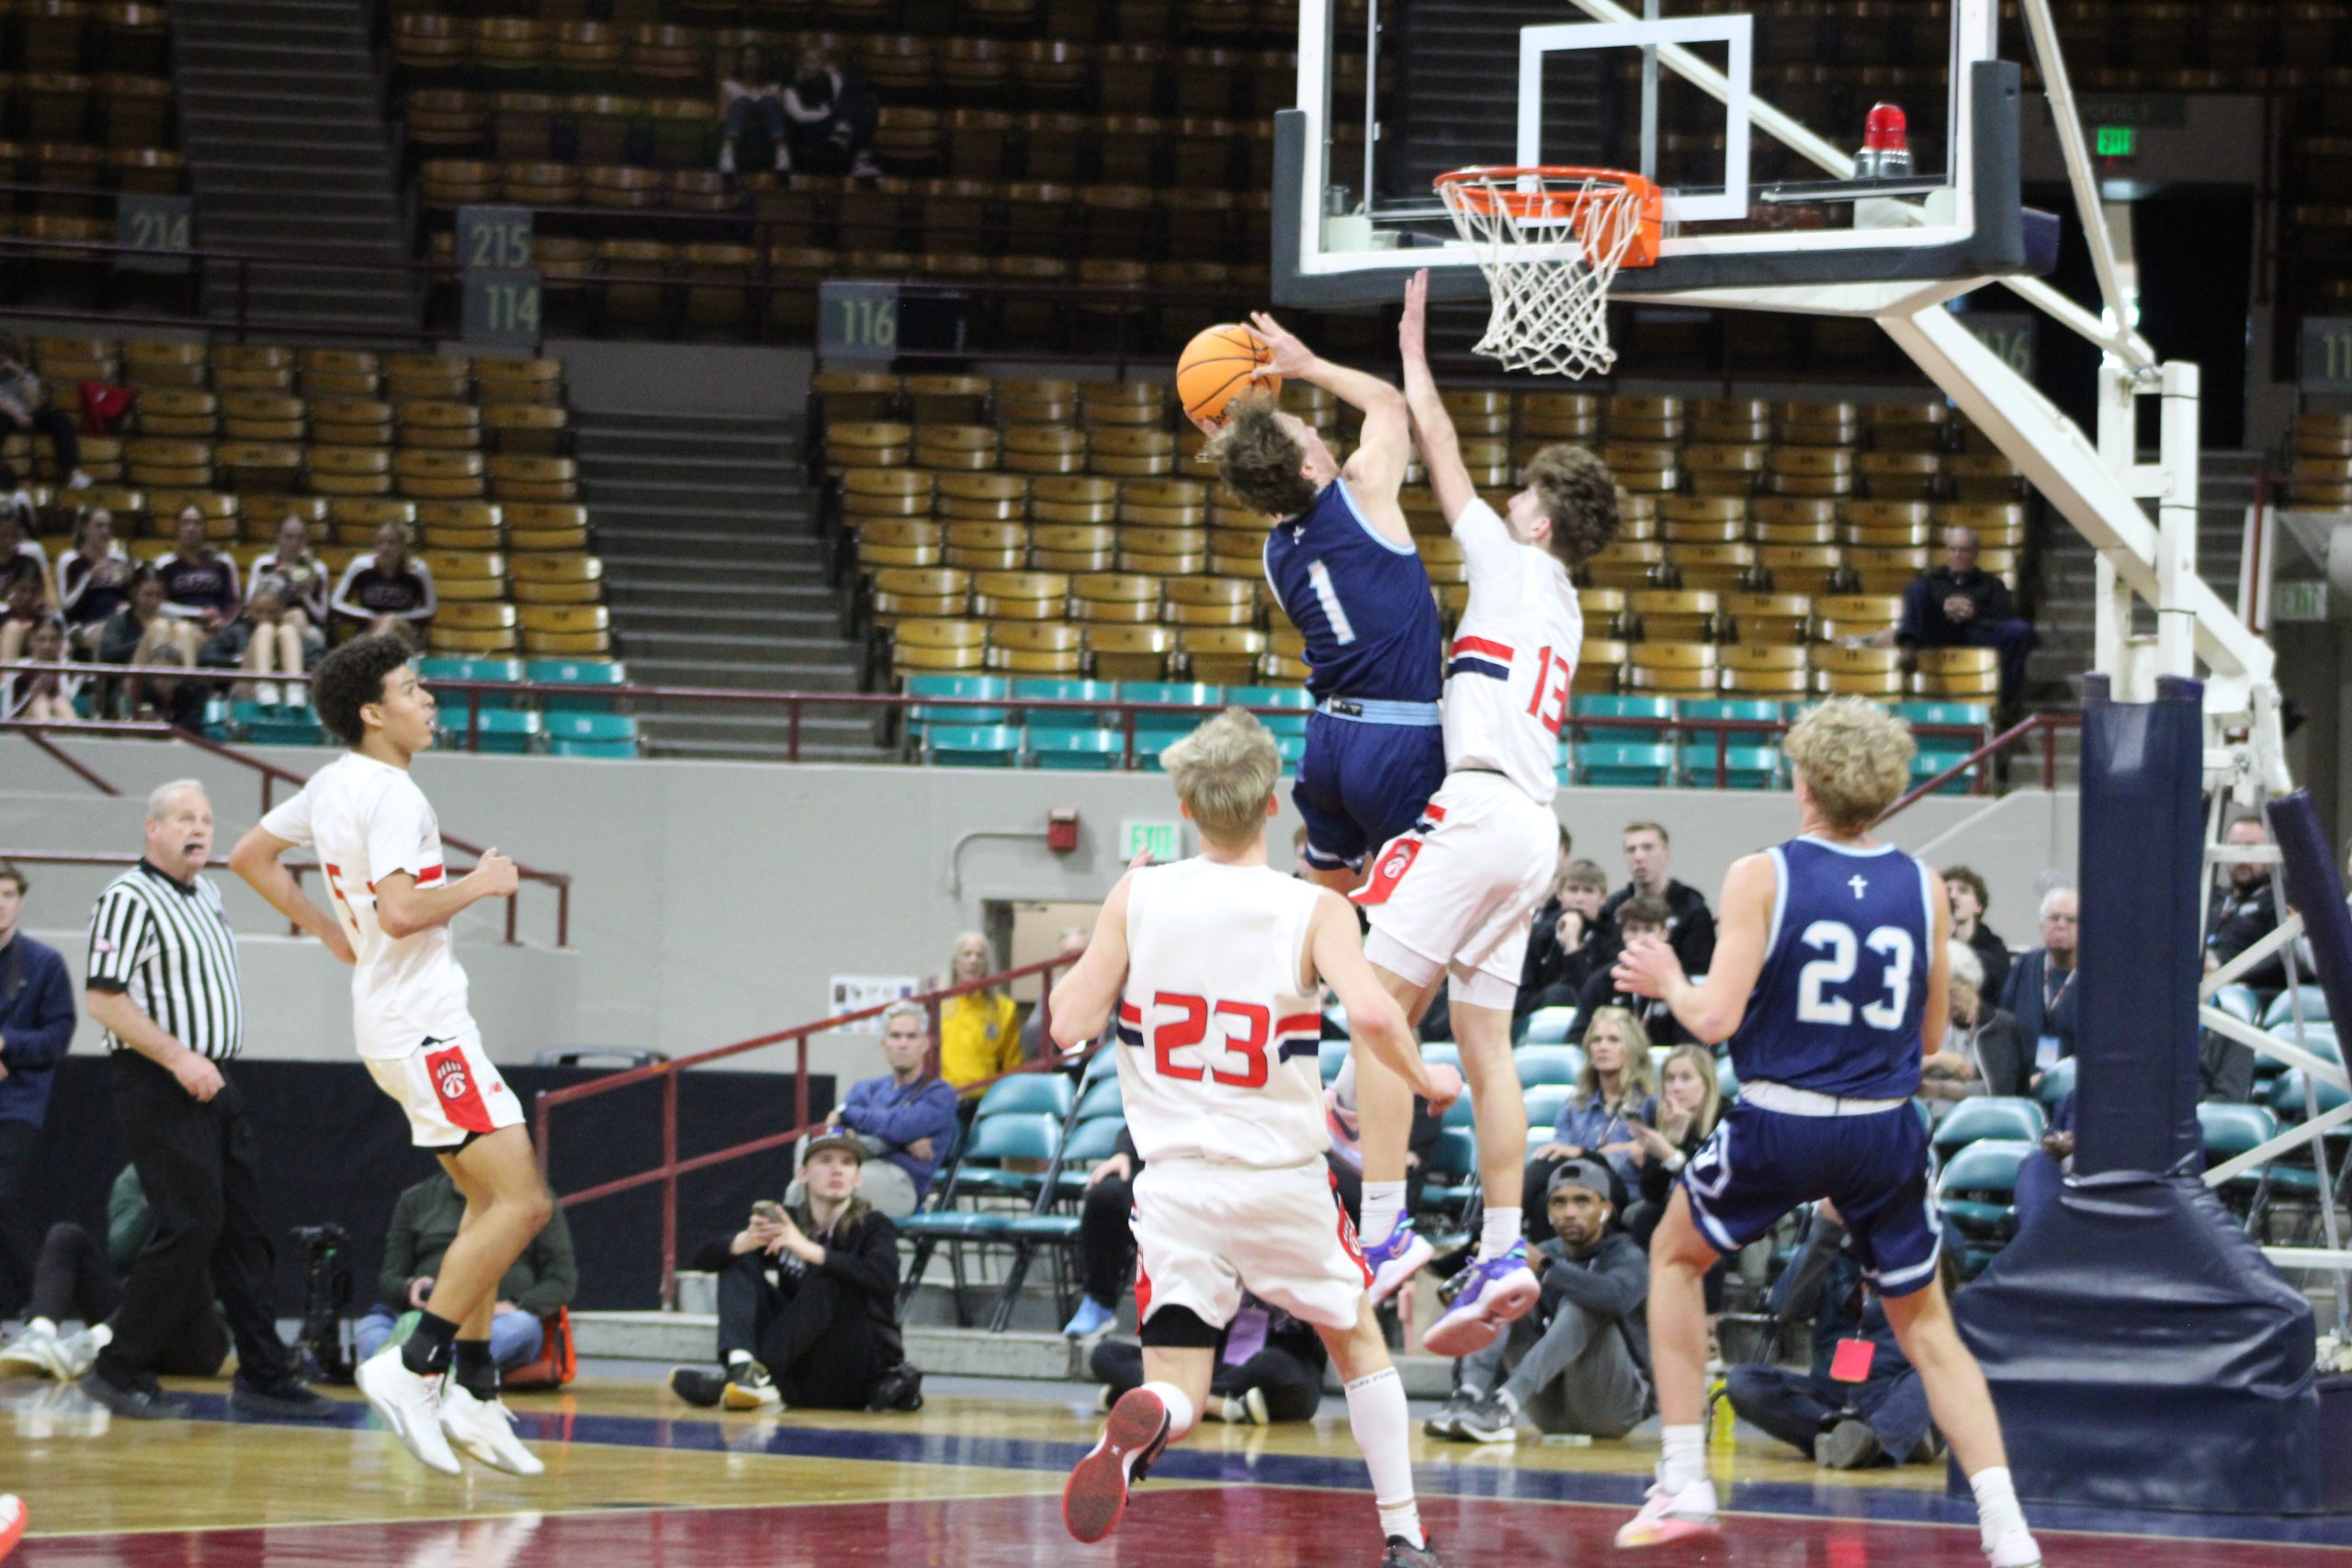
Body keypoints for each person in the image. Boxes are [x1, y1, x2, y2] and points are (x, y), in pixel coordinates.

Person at [1607, 697, 2040, 1567]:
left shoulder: (1760, 872)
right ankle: (2009, 1530)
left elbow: (1717, 1018)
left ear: (1801, 779)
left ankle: (1686, 1477)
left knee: (1673, 1253)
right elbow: (1926, 1043)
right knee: (1928, 1327)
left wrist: (1668, 975)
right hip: (1885, 1129)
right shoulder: (1922, 885)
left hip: (1784, 1118)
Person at [1044, 706, 1446, 1567]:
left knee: (1178, 1380)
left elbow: (1068, 1023)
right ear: (1274, 806)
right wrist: (1426, 1077)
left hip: (1175, 1182)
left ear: (1184, 805)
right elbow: (1374, 1012)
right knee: (1357, 1338)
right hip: (1278, 1176)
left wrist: (1119, 918)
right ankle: (1405, 1533)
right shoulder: (1311, 907)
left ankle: (1152, 1417)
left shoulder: (1138, 894)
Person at [1348, 270, 1623, 1359]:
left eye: (1520, 497)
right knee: (1488, 1046)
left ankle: (1381, 1233)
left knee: (1374, 1013)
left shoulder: (1512, 562)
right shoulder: (1567, 606)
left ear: (1541, 518)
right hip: (1534, 832)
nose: (1502, 503)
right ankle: (1504, 1249)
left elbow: (1441, 446)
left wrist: (1415, 354)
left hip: (1481, 810)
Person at [228, 634, 552, 1477]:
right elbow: (405, 912)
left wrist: (330, 930)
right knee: (523, 1206)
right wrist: (480, 883)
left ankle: (475, 1388)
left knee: (485, 1203)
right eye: (413, 689)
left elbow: (249, 856)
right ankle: (414, 1367)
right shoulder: (398, 795)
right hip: (425, 1026)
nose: (429, 700)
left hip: (396, 1020)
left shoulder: (333, 783)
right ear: (374, 712)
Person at [77, 781, 335, 1422]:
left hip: (218, 1081)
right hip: (158, 1081)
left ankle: (264, 1374)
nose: (200, 828)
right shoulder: (127, 897)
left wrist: (204, 1062)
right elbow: (104, 997)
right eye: (185, 818)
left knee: (243, 1232)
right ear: (153, 829)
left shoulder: (209, 893)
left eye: (208, 818)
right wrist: (177, 1056)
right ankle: (118, 1365)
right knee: (190, 1224)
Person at [1204, 314, 1437, 901]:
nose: (1312, 424)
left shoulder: (1274, 554)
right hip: (1396, 736)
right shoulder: (1361, 492)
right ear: (1308, 467)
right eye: (1304, 429)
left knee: (1327, 909)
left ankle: (1310, 992)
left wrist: (1241, 446)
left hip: (1329, 738)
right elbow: (1386, 402)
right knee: (1425, 917)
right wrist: (1307, 366)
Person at [669, 1130, 914, 1413]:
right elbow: (701, 1259)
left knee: (829, 1279)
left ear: (857, 1178)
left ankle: (748, 1379)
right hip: (799, 1368)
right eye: (825, 1160)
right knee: (737, 1261)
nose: (837, 1169)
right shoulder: (789, 1220)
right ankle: (742, 1367)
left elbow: (884, 1279)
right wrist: (743, 1242)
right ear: (802, 1174)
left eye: (847, 1163)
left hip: (854, 1372)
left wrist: (808, 1250)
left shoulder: (875, 1225)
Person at [1426, 1160, 1651, 1443]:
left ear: (1605, 1209)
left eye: (1582, 1202)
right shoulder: (1544, 1252)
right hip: (1550, 1408)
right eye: (1559, 1203)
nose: (1569, 1213)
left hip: (1612, 1408)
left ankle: (1504, 1404)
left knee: (1585, 1302)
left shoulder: (1627, 1255)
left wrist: (1547, 1269)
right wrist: (1477, 1284)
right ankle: (1469, 1396)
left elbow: (1616, 1298)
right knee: (1504, 1287)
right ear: (1549, 1212)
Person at [1725, 1223, 1953, 1471]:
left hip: (1892, 1390)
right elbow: (1784, 1308)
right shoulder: (1828, 1244)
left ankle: (1867, 1439)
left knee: (1934, 1374)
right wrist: (1825, 1232)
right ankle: (1867, 1440)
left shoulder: (1925, 1228)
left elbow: (1949, 1259)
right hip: (1831, 1396)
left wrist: (1899, 1221)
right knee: (1743, 1382)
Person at [0, 1166, 228, 1383]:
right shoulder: (134, 1178)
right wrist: (155, 1204)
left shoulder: (217, 1180)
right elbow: (121, 1253)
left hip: (194, 1340)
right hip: (132, 1327)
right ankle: (40, 1335)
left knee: (184, 1254)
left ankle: (93, 1343)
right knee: (65, 1236)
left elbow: (239, 1272)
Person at [353, 1168, 579, 1371]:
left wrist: (512, 1305)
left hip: (498, 1322)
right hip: (422, 1319)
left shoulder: (534, 1200)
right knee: (369, 1326)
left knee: (522, 1325)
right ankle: (415, 1362)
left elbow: (562, 1281)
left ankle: (419, 1366)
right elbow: (390, 1278)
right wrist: (410, 1287)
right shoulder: (415, 1199)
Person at [0, 861, 74, 1317]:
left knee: (6, 1199)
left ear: (21, 901)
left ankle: (39, 1305)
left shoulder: (44, 964)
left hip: (19, 1104)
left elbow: (58, 1036)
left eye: (8, 895)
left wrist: (8, 1043)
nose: (0, 904)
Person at [1091, 1288, 1329, 1426]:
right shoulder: (1216, 1245)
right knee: (1106, 1354)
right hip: (1217, 1363)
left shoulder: (1302, 1246)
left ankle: (1157, 1398)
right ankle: (1218, 1406)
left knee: (1274, 1366)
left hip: (1281, 1364)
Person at [820, 1000, 959, 1217]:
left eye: (911, 1037)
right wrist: (899, 1143)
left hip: (902, 1182)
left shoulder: (940, 1094)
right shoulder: (865, 1089)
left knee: (839, 1189)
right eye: (895, 1036)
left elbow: (899, 1128)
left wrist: (847, 1112)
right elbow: (840, 1135)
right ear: (884, 1043)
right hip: (854, 1168)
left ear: (925, 1044)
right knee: (803, 1182)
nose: (903, 1044)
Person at [1526, 1006, 1657, 1226]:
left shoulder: (1650, 1103)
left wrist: (1582, 1153)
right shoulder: (1576, 1104)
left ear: (1632, 1048)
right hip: (1577, 1188)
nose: (1603, 1047)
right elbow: (1561, 1159)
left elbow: (1645, 1160)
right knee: (1544, 1198)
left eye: (1614, 1040)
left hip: (1623, 1195)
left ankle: (1485, 1227)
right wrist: (1617, 1151)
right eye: (1597, 1040)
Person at [1895, 525, 2034, 715]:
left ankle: (2007, 703)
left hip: (1975, 631)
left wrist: (1975, 610)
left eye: (1964, 550)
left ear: (1975, 554)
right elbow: (1923, 608)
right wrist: (1945, 608)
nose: (1958, 555)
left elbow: (2004, 615)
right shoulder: (1931, 580)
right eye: (1953, 549)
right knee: (1916, 589)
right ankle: (1908, 647)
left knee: (2020, 630)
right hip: (1940, 630)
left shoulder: (1992, 583)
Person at [1623, 1044, 1722, 1247]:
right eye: (1670, 1079)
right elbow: (1652, 1193)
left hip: (1721, 1205)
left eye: (1686, 1078)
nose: (1676, 1087)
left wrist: (1670, 1153)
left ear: (1706, 1083)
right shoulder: (1658, 1116)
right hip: (1677, 1203)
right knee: (1645, 1216)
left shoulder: (1726, 1118)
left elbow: (1710, 1188)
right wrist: (1673, 1139)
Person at [1598, 823, 1716, 977]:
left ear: (1666, 854)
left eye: (1648, 848)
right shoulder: (1613, 907)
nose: (1638, 857)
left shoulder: (1692, 908)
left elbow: (1700, 974)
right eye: (1631, 850)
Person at [1568, 896, 1688, 1046]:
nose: (1640, 937)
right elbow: (1576, 1037)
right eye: (1633, 929)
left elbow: (1690, 1045)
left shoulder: (1678, 983)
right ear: (1623, 933)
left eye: (1649, 929)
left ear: (1665, 934)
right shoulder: (1603, 981)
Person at [1921, 944, 2030, 1106]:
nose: (1947, 1002)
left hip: (1983, 1125)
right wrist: (1936, 1061)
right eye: (1939, 995)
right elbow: (1898, 1078)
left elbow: (1997, 1092)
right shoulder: (1927, 1025)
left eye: (1953, 992)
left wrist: (1938, 1089)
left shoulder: (2000, 1027)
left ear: (1972, 983)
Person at [96, 568, 203, 727]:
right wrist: (145, 640)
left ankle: (186, 692)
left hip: (173, 686)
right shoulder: (119, 622)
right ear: (135, 593)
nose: (153, 601)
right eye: (147, 595)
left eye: (158, 595)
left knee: (185, 628)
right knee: (158, 626)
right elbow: (108, 655)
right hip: (131, 686)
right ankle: (158, 693)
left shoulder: (172, 623)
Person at [1998, 884, 2079, 1088]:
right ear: (2041, 924)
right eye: (2053, 918)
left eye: (2071, 920)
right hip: (2023, 1083)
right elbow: (2003, 1025)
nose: (2061, 925)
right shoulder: (2025, 964)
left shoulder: (2099, 976)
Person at [1517, 857, 1610, 1021]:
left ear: (1602, 898)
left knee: (1563, 994)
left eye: (1588, 891)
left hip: (1592, 1021)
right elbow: (1522, 995)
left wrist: (1572, 948)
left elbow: (1595, 996)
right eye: (1573, 890)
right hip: (1536, 1018)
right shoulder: (1540, 934)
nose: (1579, 898)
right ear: (1559, 894)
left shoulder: (1612, 939)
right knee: (1558, 994)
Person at [204, 585, 322, 710]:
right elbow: (205, 657)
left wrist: (296, 662)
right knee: (265, 629)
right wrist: (238, 660)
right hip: (248, 687)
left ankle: (295, 686)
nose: (264, 617)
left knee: (287, 630)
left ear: (282, 611)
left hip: (285, 689)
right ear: (249, 609)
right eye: (259, 611)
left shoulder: (291, 633)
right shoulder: (237, 632)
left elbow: (317, 657)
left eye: (271, 612)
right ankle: (264, 684)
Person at [0, 339, 92, 494]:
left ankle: (74, 473)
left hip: (29, 416)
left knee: (59, 420)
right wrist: (16, 415)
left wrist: (21, 375)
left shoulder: (25, 375)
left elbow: (35, 404)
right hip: (6, 416)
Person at [2206, 814, 2284, 995]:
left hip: (2247, 997)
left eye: (2250, 849)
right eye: (2234, 848)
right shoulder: (2214, 899)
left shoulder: (2281, 900)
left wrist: (2223, 976)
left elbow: (2283, 958)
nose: (2241, 858)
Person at [937, 931, 1018, 1100]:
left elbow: (1012, 1063)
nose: (973, 960)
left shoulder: (1003, 1008)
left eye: (979, 956)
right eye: (966, 954)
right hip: (944, 1099)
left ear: (986, 964)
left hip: (986, 1100)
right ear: (955, 962)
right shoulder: (938, 1006)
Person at [783, 47, 879, 179]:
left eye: (813, 62)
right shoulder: (792, 89)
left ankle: (859, 156)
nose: (808, 66)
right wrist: (826, 114)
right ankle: (859, 153)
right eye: (805, 62)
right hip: (809, 132)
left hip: (833, 132)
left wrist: (831, 73)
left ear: (822, 65)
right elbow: (799, 116)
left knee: (867, 98)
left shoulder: (830, 82)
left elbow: (844, 96)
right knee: (847, 117)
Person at [331, 522, 436, 641]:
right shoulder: (360, 566)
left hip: (404, 631)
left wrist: (395, 618)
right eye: (380, 542)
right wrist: (369, 616)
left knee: (390, 621)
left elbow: (430, 609)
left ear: (402, 546)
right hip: (369, 630)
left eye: (391, 543)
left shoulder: (417, 570)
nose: (385, 548)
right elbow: (336, 603)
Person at [56, 508, 132, 660]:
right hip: (87, 624)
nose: (105, 532)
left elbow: (127, 597)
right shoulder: (71, 560)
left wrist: (131, 584)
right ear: (84, 529)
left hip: (120, 622)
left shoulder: (119, 560)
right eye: (99, 526)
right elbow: (67, 606)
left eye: (109, 527)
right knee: (106, 633)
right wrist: (88, 578)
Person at [156, 504, 242, 638]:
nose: (191, 528)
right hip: (179, 628)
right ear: (177, 529)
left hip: (218, 630)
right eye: (185, 523)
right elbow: (160, 605)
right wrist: (198, 613)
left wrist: (223, 622)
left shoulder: (223, 562)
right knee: (184, 632)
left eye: (197, 523)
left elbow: (234, 602)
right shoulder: (165, 564)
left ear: (204, 529)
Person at [251, 513, 333, 644]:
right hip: (268, 620)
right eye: (288, 537)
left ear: (306, 541)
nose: (294, 543)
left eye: (300, 538)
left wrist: (303, 593)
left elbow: (322, 617)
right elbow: (252, 604)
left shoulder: (317, 569)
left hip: (304, 626)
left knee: (306, 624)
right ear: (278, 537)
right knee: (295, 616)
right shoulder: (264, 564)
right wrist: (275, 581)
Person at [1942, 864, 2011, 1004]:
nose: (1953, 896)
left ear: (1978, 906)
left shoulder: (1994, 950)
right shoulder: (1927, 943)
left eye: (1963, 890)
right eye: (1947, 890)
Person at [1020, 926, 1091, 1062]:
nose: (1074, 959)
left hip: (1099, 1067)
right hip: (1058, 1064)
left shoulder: (1107, 986)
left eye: (1079, 953)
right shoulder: (1052, 991)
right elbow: (1031, 1034)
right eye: (1067, 954)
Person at [718, 43, 790, 174]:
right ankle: (727, 152)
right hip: (740, 134)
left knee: (767, 101)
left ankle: (782, 152)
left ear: (762, 61)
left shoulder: (774, 88)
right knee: (743, 102)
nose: (749, 62)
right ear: (740, 62)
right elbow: (722, 118)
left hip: (766, 135)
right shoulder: (729, 86)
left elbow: (781, 118)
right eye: (746, 58)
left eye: (754, 58)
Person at [0, 511, 55, 665]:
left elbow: (50, 602)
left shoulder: (27, 562)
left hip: (29, 619)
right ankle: (5, 685)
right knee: (14, 629)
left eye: (12, 536)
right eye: (3, 535)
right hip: (8, 620)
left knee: (45, 633)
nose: (7, 541)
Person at [4, 618, 80, 721]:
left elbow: (72, 700)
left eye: (54, 639)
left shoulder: (71, 669)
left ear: (62, 641)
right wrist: (32, 694)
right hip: (24, 721)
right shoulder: (19, 669)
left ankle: (72, 735)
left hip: (61, 712)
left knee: (59, 702)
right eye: (41, 639)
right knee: (40, 702)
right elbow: (8, 713)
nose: (47, 646)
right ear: (31, 640)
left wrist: (60, 670)